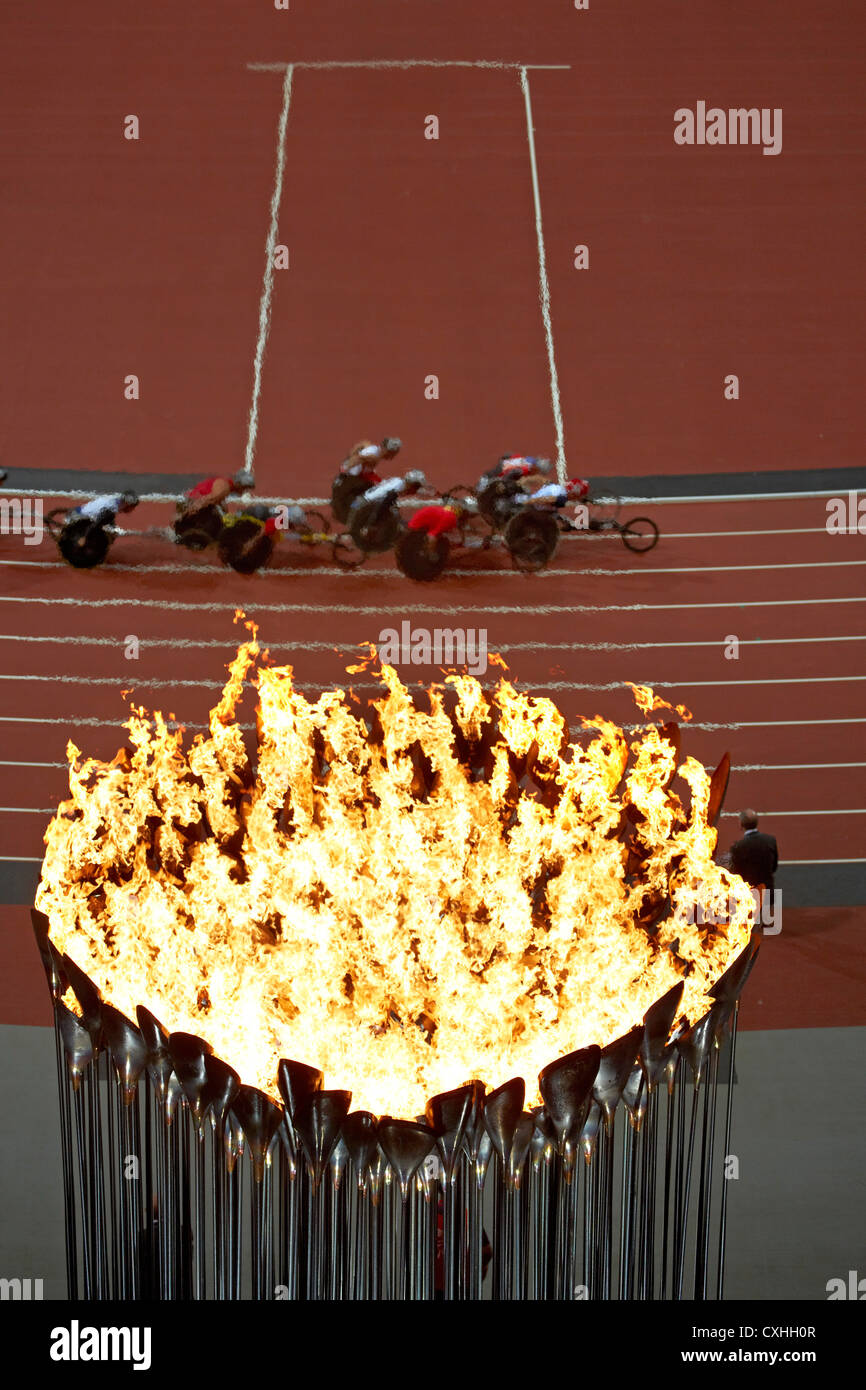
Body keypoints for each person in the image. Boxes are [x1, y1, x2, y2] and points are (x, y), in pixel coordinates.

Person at [729, 810, 779, 916]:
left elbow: (735, 873)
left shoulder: (738, 846)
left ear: (741, 825)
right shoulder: (770, 840)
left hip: (747, 894)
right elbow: (774, 867)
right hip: (767, 891)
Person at [182, 469, 254, 518]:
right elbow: (207, 500)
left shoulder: (226, 486)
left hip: (192, 499)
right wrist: (186, 514)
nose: (245, 491)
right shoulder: (224, 489)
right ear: (238, 484)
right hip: (191, 502)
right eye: (245, 487)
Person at [68, 491, 139, 527]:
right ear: (126, 504)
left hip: (78, 510)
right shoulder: (112, 509)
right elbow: (96, 523)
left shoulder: (113, 500)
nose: (132, 510)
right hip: (78, 518)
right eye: (132, 507)